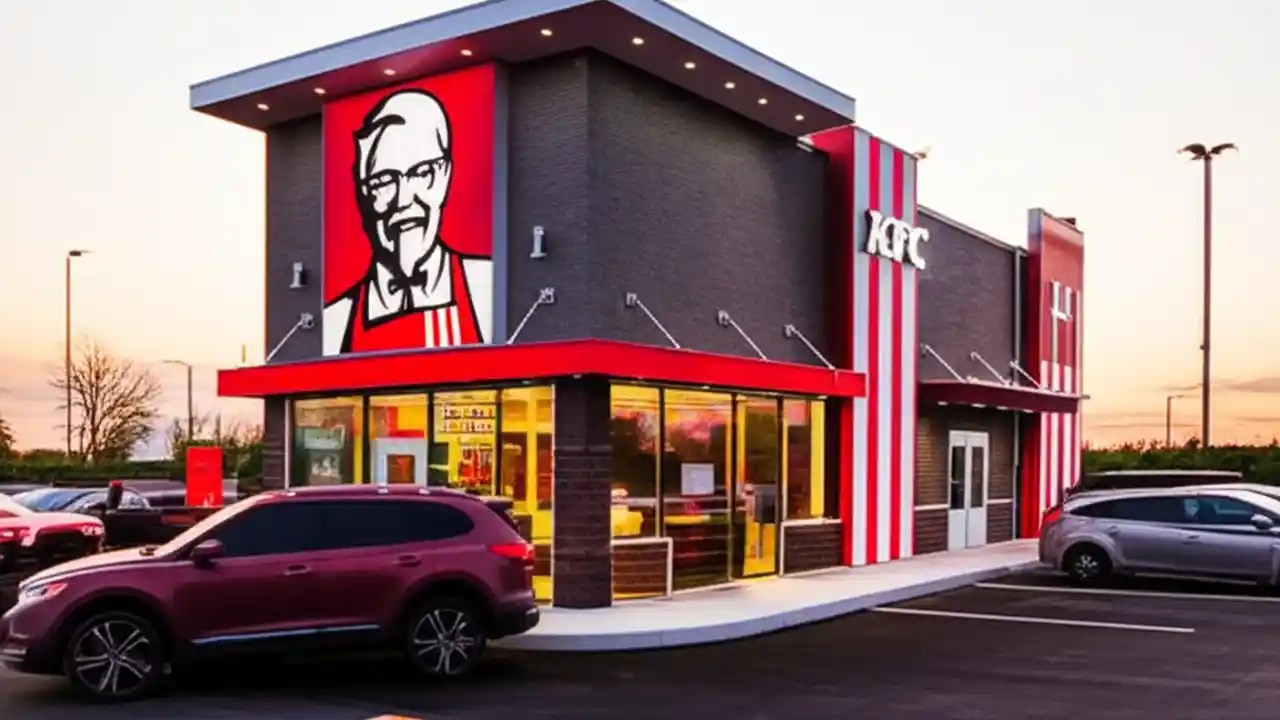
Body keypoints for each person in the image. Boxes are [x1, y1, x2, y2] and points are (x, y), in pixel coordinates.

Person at [323, 89, 492, 355]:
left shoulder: (485, 285)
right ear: (364, 194)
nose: (403, 200)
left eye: (422, 172)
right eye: (384, 181)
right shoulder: (336, 320)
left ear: (446, 175)